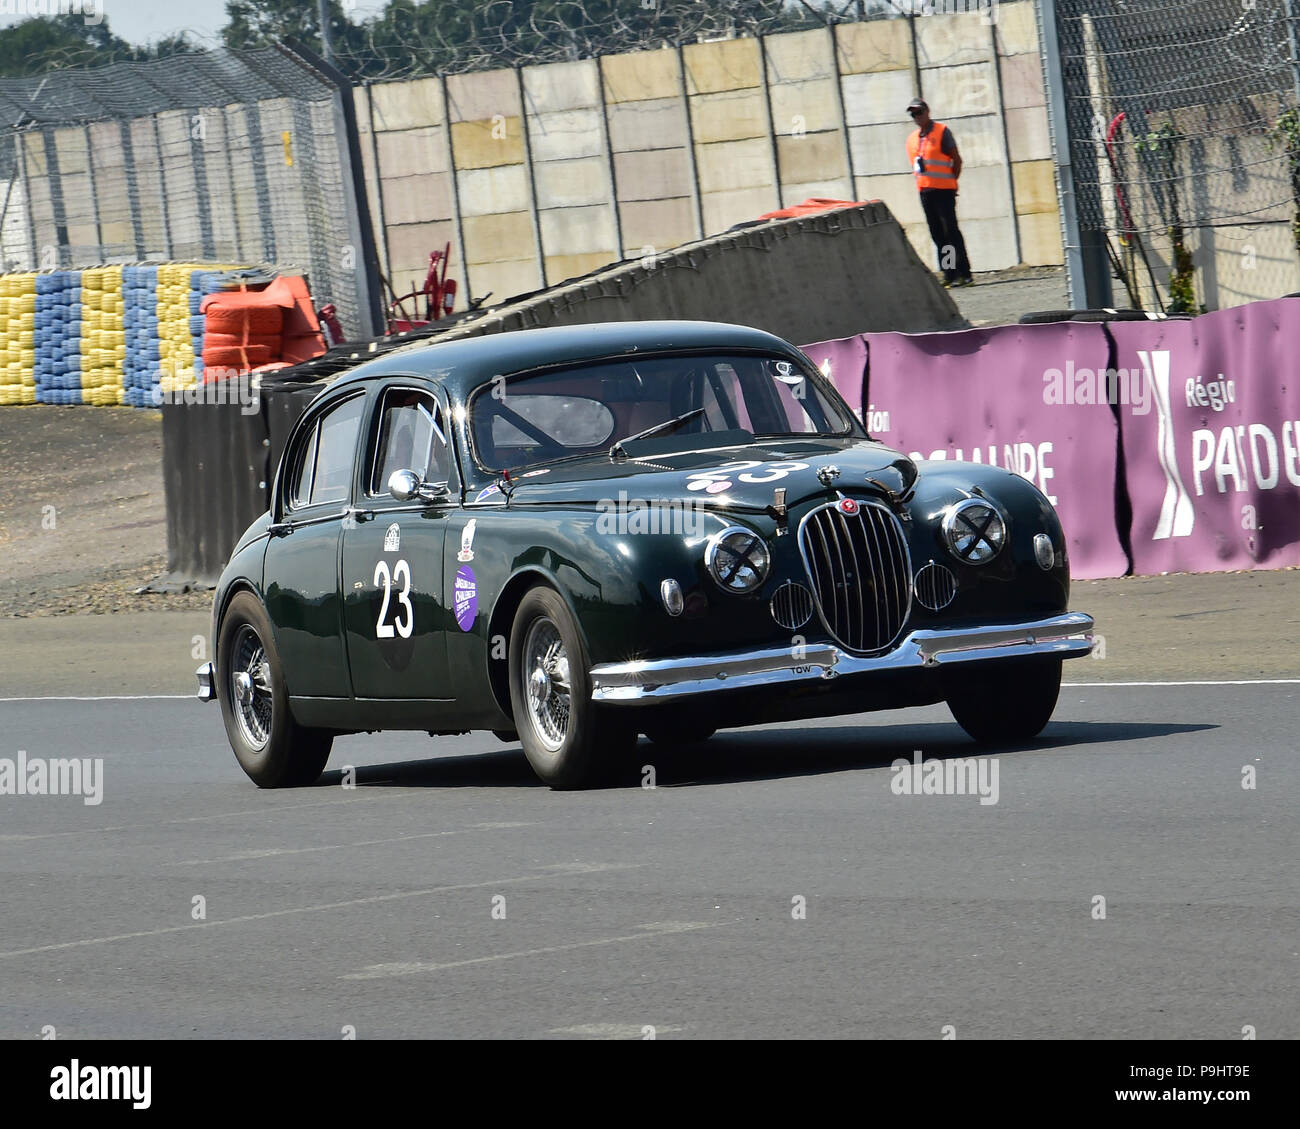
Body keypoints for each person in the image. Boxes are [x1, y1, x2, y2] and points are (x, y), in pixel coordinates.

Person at [905, 98, 973, 287]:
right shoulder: (912, 139)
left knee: (950, 232)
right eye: (913, 114)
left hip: (944, 191)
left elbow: (956, 160)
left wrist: (952, 181)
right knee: (938, 235)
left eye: (919, 112)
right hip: (925, 192)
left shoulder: (942, 131)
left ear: (928, 112)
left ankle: (964, 273)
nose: (916, 117)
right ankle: (949, 273)